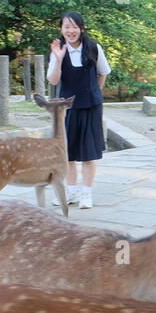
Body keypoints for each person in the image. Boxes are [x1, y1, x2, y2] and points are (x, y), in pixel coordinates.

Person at [46, 11, 111, 209]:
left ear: (81, 29)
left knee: (89, 153)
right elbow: (53, 80)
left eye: (74, 27)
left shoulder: (93, 47)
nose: (70, 30)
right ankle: (71, 192)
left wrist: (94, 93)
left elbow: (103, 73)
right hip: (68, 107)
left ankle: (86, 194)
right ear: (61, 29)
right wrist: (58, 58)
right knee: (69, 153)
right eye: (67, 26)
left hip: (91, 106)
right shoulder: (58, 48)